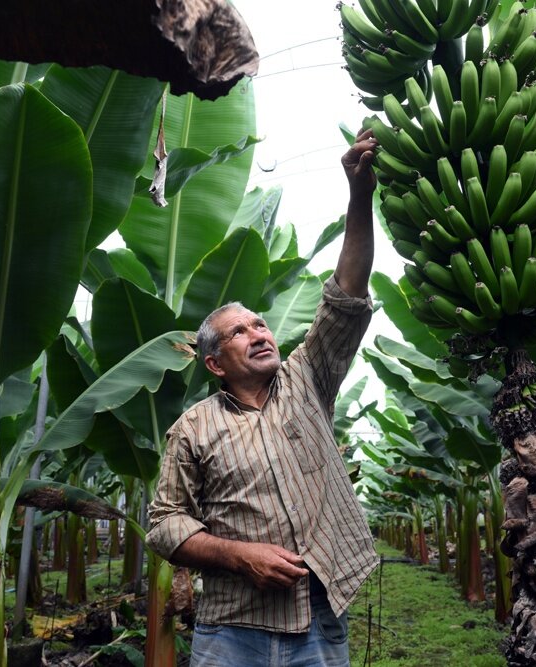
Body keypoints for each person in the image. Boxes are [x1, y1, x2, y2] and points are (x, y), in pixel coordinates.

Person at [146, 128, 380, 667]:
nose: (260, 333)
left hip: (320, 613)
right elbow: (164, 523)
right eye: (240, 332)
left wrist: (359, 196)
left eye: (261, 324)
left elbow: (346, 292)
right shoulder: (193, 427)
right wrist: (238, 555)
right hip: (233, 628)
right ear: (214, 363)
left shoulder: (307, 380)